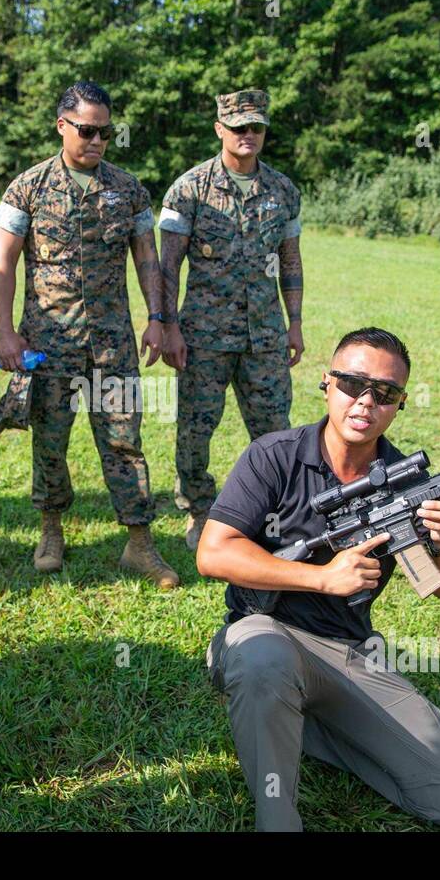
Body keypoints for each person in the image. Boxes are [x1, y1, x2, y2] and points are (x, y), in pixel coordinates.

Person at [197, 327, 440, 831]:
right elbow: (214, 553)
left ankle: (298, 719)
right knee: (264, 659)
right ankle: (276, 818)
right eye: (352, 384)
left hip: (349, 651)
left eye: (386, 394)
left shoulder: (406, 481)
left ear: (399, 405)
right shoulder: (274, 455)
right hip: (261, 630)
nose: (366, 402)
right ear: (326, 383)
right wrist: (323, 578)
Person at [0, 81, 179, 588]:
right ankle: (50, 531)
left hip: (112, 344)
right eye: (87, 130)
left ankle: (139, 544)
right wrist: (7, 333)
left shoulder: (129, 189)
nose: (96, 140)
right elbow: (3, 266)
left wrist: (157, 318)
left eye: (105, 132)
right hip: (47, 344)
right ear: (61, 126)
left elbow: (146, 259)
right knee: (51, 442)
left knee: (124, 441)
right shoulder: (26, 188)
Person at [158, 89, 304, 551]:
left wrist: (294, 323)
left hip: (264, 336)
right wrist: (169, 326)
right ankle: (200, 512)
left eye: (256, 127)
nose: (248, 135)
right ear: (220, 129)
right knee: (196, 429)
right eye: (239, 127)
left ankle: (275, 517)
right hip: (202, 336)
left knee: (276, 434)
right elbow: (167, 266)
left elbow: (291, 261)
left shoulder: (283, 191)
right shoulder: (189, 188)